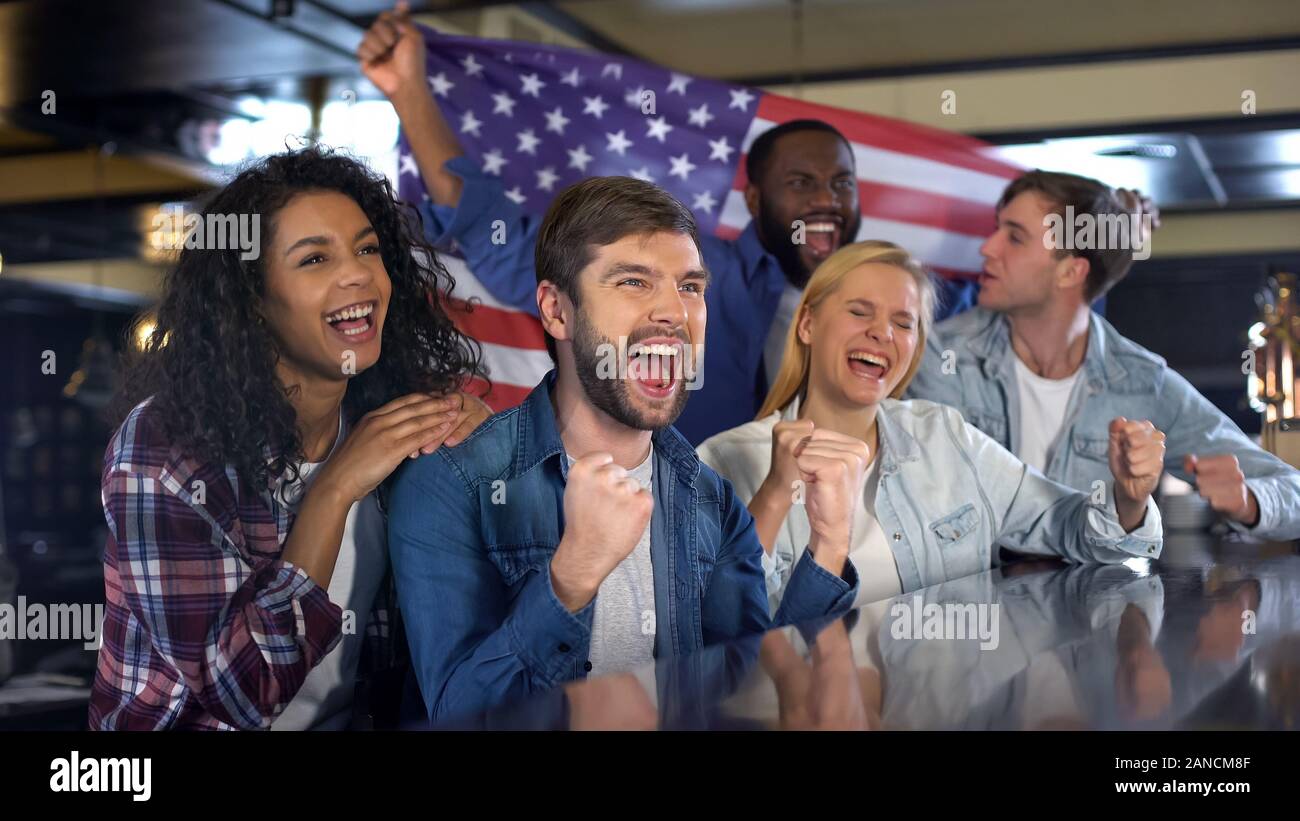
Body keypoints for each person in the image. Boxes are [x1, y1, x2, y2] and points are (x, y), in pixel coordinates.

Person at [355, 3, 977, 445]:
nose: (827, 200)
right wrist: (410, 91)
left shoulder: (885, 298)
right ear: (755, 201)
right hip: (704, 538)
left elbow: (989, 300)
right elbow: (502, 244)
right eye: (801, 183)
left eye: (842, 183)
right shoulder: (692, 270)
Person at [387, 175, 862, 722]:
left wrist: (828, 547)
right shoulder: (451, 482)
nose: (675, 314)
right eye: (635, 282)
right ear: (556, 310)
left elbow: (752, 689)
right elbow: (460, 715)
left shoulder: (711, 499)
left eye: (690, 287)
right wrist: (572, 577)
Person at [89, 147, 491, 730]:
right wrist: (335, 489)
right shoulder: (162, 448)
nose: (358, 274)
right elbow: (244, 691)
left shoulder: (392, 415)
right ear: (251, 303)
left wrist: (492, 444)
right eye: (314, 259)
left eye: (368, 248)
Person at [696, 241, 1167, 615]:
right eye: (859, 312)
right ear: (807, 325)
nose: (882, 333)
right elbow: (721, 626)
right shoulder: (723, 461)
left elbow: (1076, 530)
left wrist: (1129, 497)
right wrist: (777, 492)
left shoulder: (948, 437)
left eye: (904, 322)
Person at [906, 170, 1300, 541]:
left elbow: (1292, 490)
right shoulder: (938, 355)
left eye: (1015, 237)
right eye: (997, 230)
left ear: (1070, 272)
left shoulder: (1143, 383)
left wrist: (1249, 502)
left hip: (1093, 611)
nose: (986, 248)